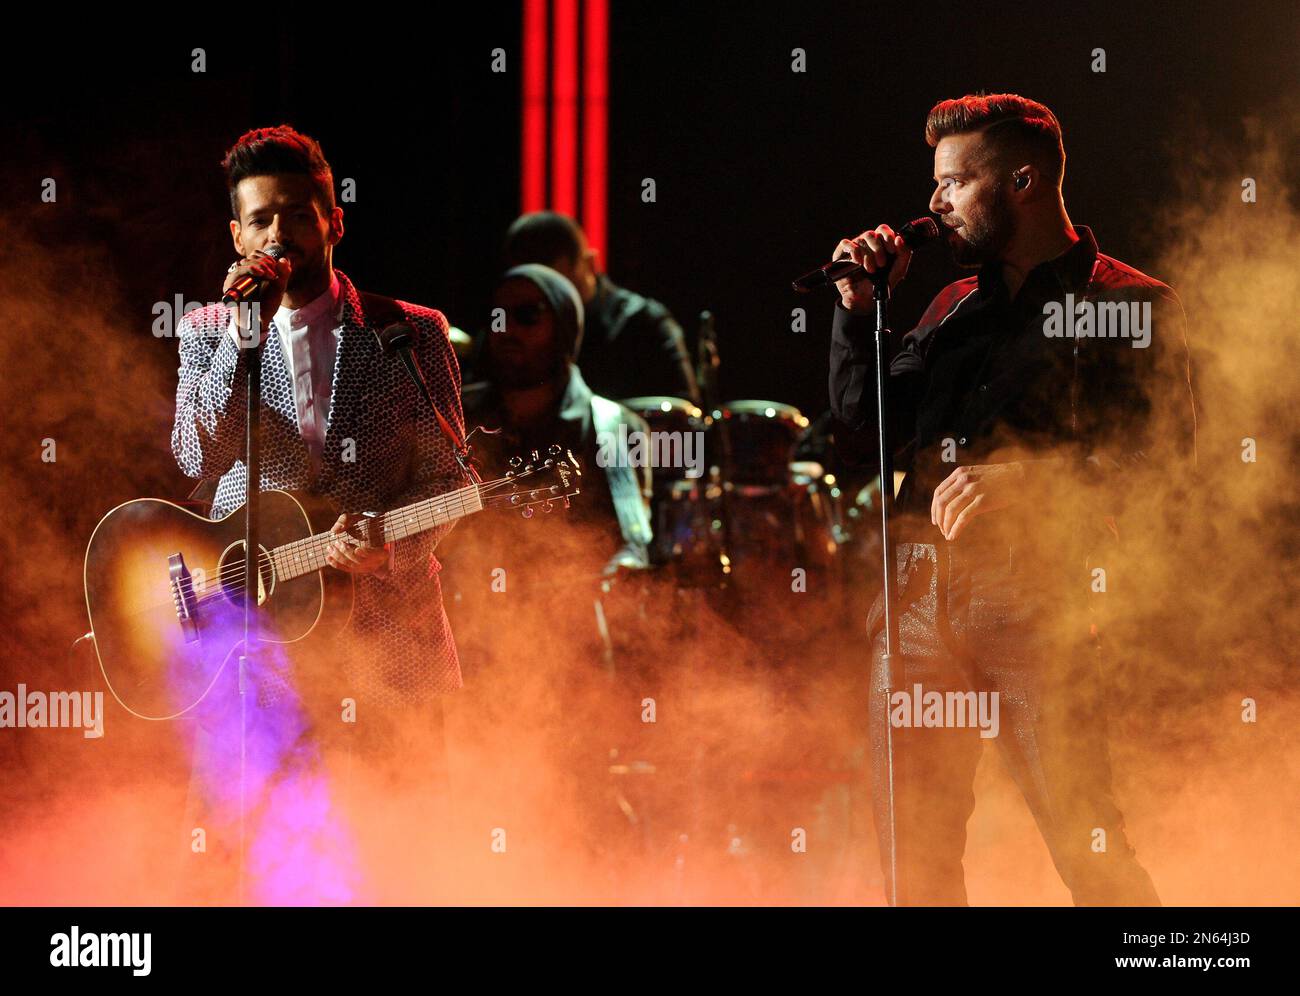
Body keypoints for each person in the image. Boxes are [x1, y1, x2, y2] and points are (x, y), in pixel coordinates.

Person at [827, 93, 1196, 906]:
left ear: (1023, 181)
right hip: (917, 604)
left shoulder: (1128, 306)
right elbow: (861, 435)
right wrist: (859, 317)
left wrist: (1041, 478)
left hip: (1039, 606)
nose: (933, 204)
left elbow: (1165, 465)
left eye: (955, 182)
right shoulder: (949, 308)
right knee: (912, 863)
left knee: (1087, 848)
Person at [170, 124, 467, 902]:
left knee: (398, 851)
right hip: (254, 638)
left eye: (300, 215)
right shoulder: (207, 332)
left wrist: (390, 552)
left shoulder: (411, 332)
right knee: (243, 850)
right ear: (236, 236)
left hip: (387, 639)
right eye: (261, 220)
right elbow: (199, 457)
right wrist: (245, 334)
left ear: (336, 220)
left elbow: (450, 477)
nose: (281, 235)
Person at [499, 211, 699, 404]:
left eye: (555, 286)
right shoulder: (505, 328)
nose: (545, 300)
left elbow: (681, 418)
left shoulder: (644, 323)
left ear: (591, 264)